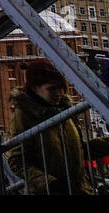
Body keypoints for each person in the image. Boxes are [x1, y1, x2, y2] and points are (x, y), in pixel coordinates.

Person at [9, 60, 94, 195]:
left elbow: (81, 148)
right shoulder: (24, 116)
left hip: (79, 189)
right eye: (52, 89)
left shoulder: (63, 111)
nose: (59, 93)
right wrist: (49, 183)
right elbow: (17, 161)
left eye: (60, 88)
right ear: (35, 87)